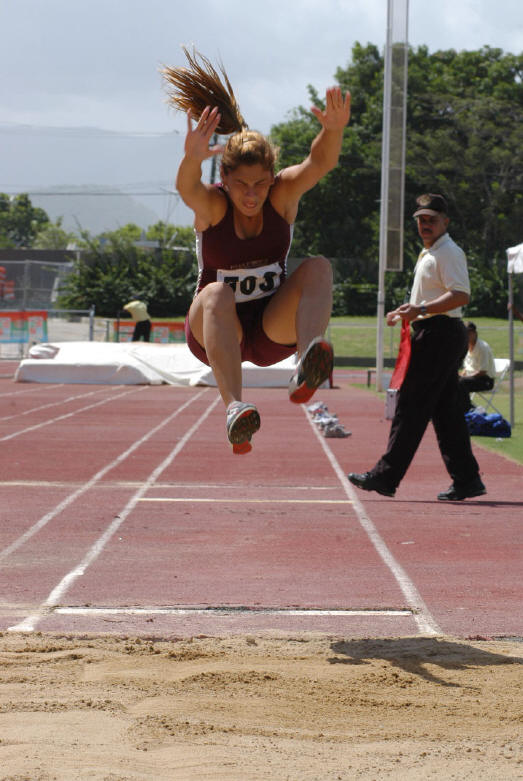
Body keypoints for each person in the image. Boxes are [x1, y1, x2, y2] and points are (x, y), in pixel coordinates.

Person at [162, 48, 350, 454]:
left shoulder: (281, 198)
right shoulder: (214, 206)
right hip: (215, 330)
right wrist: (192, 159)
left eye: (261, 184)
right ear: (225, 178)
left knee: (318, 267)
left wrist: (332, 130)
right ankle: (234, 410)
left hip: (268, 329)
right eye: (242, 185)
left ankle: (306, 364)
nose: (252, 195)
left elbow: (318, 163)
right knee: (216, 292)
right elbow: (187, 189)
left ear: (271, 178)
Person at [348, 193, 486, 501]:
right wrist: (409, 310)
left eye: (431, 220)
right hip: (437, 332)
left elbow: (461, 295)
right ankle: (467, 479)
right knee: (446, 411)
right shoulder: (431, 252)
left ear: (445, 222)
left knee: (411, 406)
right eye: (421, 220)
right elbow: (437, 299)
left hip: (439, 335)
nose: (425, 225)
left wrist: (421, 311)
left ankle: (386, 477)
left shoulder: (448, 252)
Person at [458, 321, 496, 413]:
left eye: (468, 333)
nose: (466, 335)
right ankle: (464, 410)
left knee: (461, 383)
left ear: (475, 333)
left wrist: (464, 377)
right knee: (451, 382)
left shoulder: (482, 347)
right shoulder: (466, 347)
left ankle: (470, 410)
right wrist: (460, 375)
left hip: (485, 380)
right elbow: (468, 368)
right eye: (464, 333)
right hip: (471, 378)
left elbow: (482, 371)